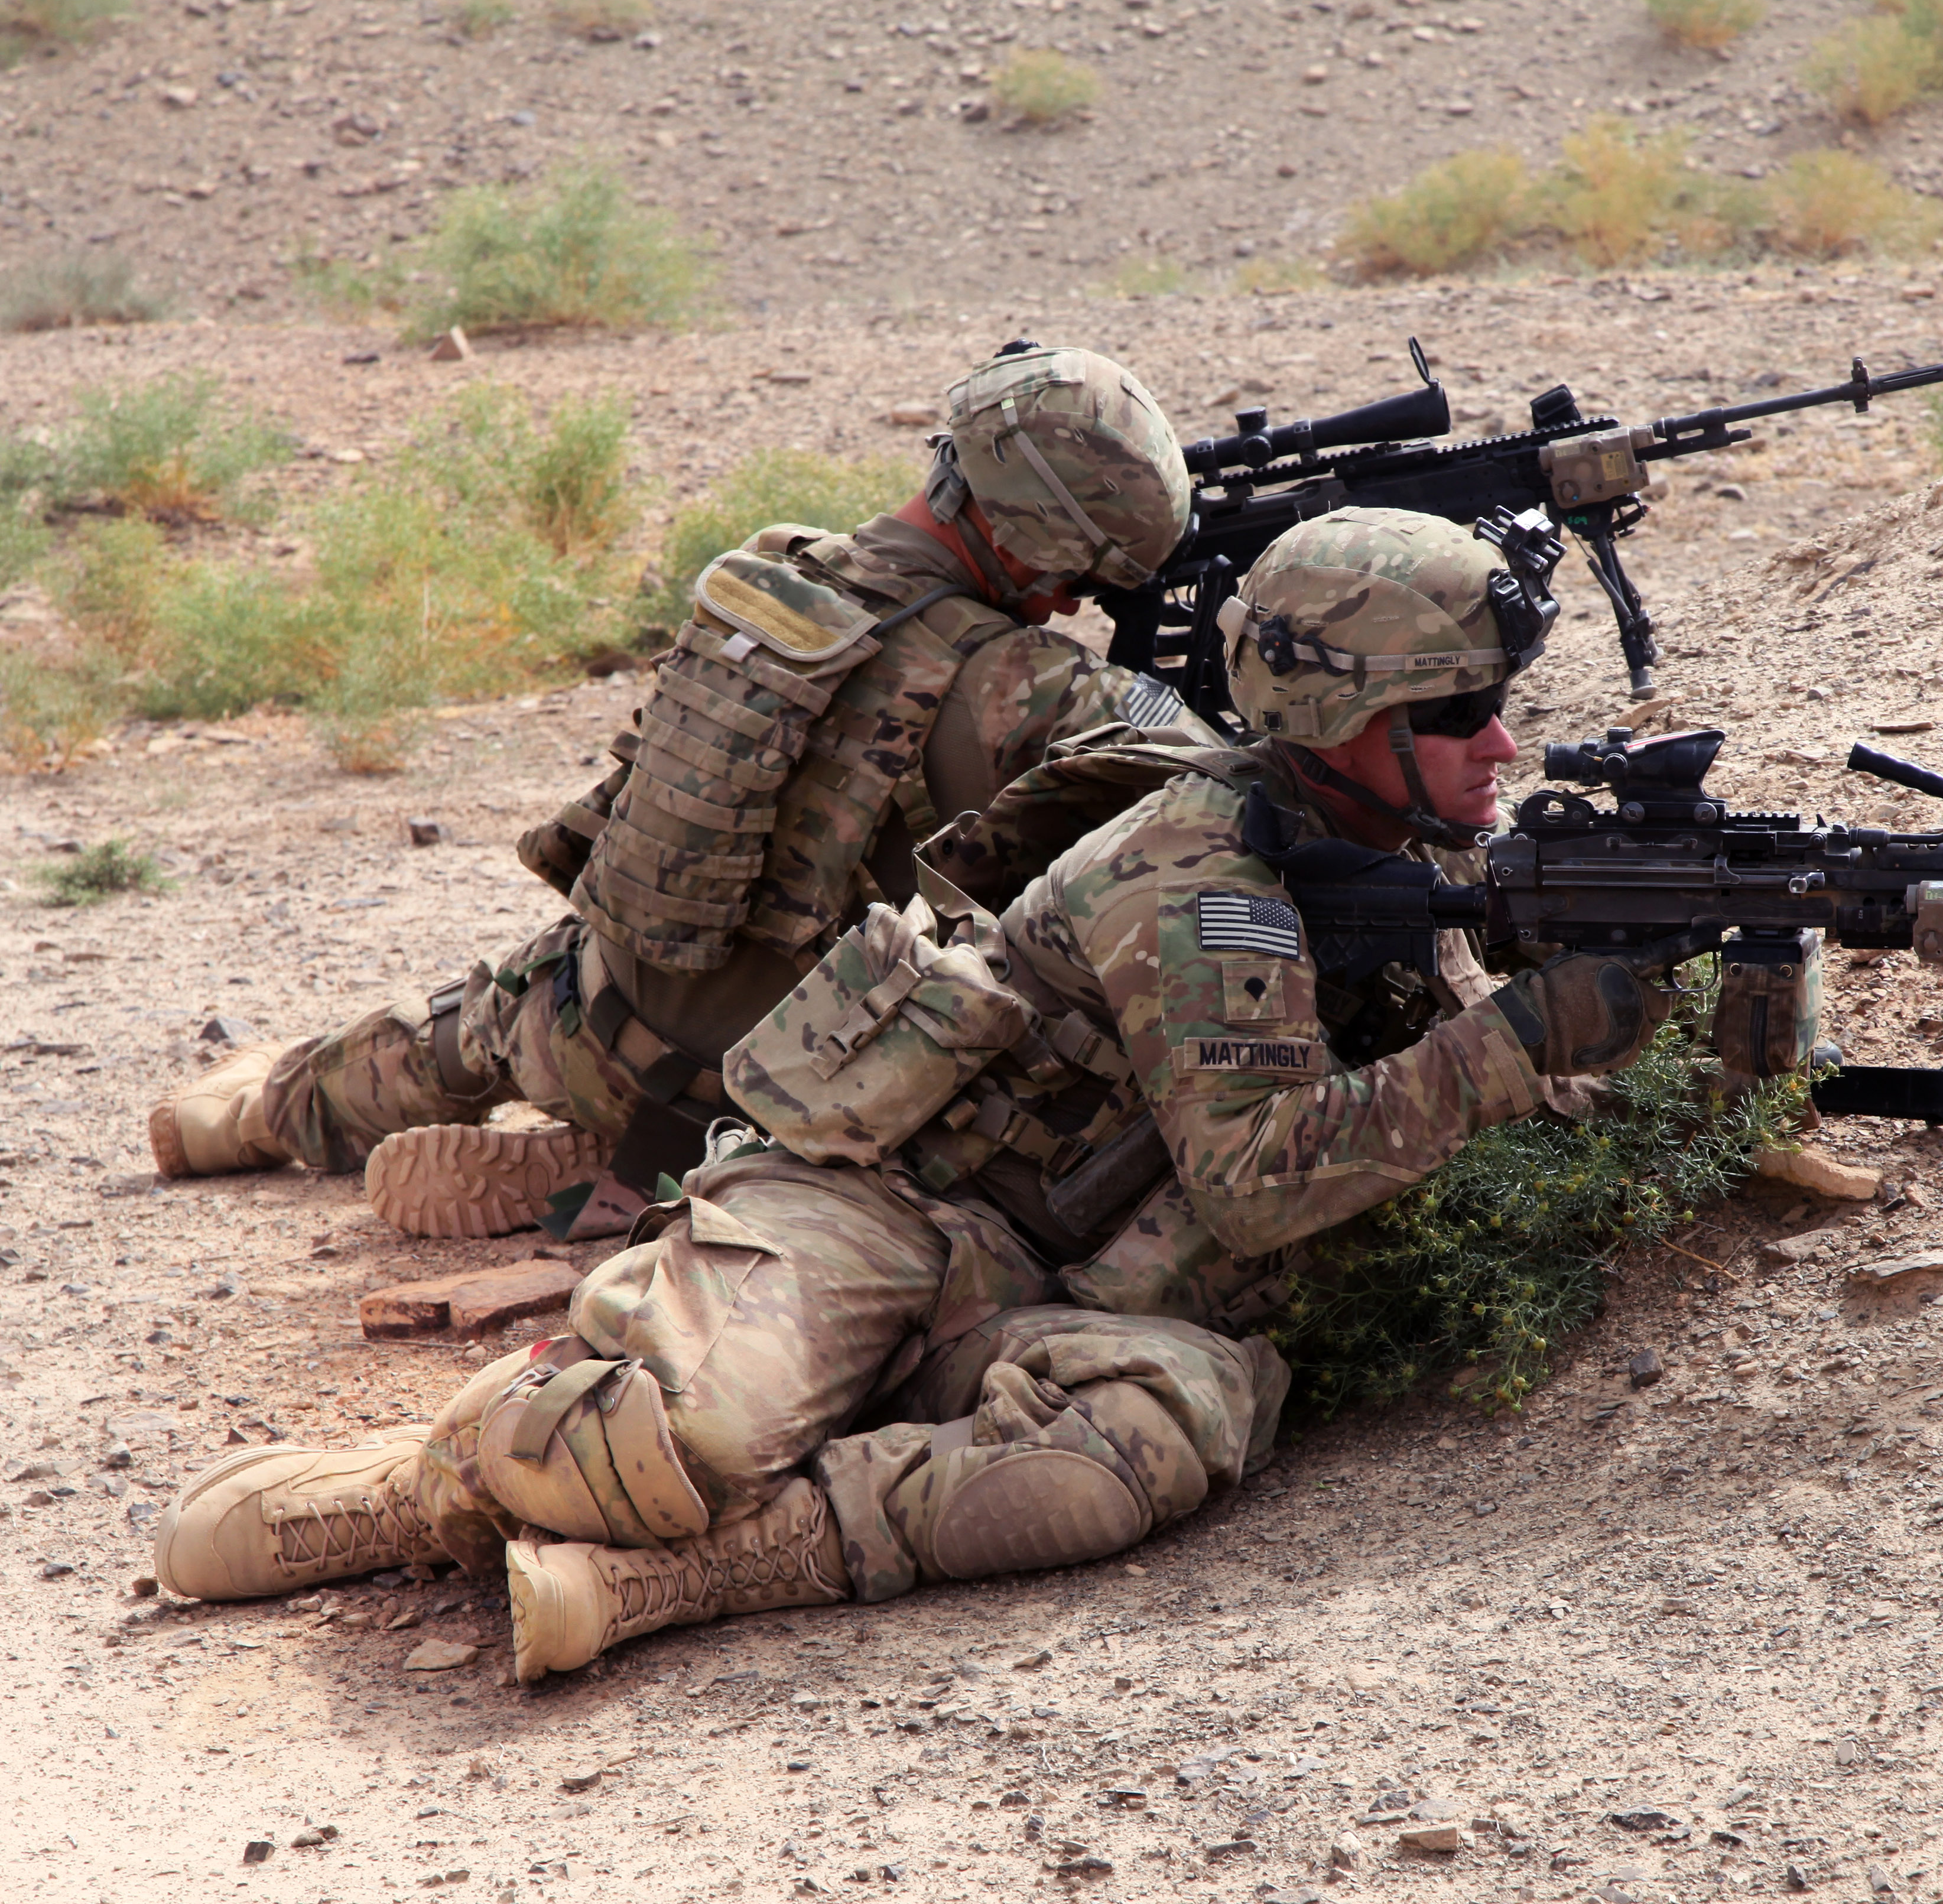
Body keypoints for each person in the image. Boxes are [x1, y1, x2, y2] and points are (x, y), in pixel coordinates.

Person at [149, 506, 1670, 1682]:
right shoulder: (1200, 881)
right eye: (1460, 712)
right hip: (871, 1204)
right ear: (1351, 723)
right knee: (686, 1441)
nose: (1502, 744)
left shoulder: (1398, 852)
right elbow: (1260, 1180)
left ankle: (683, 1576)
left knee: (1144, 1446)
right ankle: (424, 1492)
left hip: (1040, 1290)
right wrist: (1521, 1040)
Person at [148, 344, 1219, 1242]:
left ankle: (254, 1116)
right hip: (787, 1099)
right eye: (1086, 581)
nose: (1079, 603)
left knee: (467, 1020)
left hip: (589, 1023)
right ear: (1043, 552)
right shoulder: (1037, 693)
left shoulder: (767, 573)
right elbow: (1231, 807)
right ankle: (652, 1175)